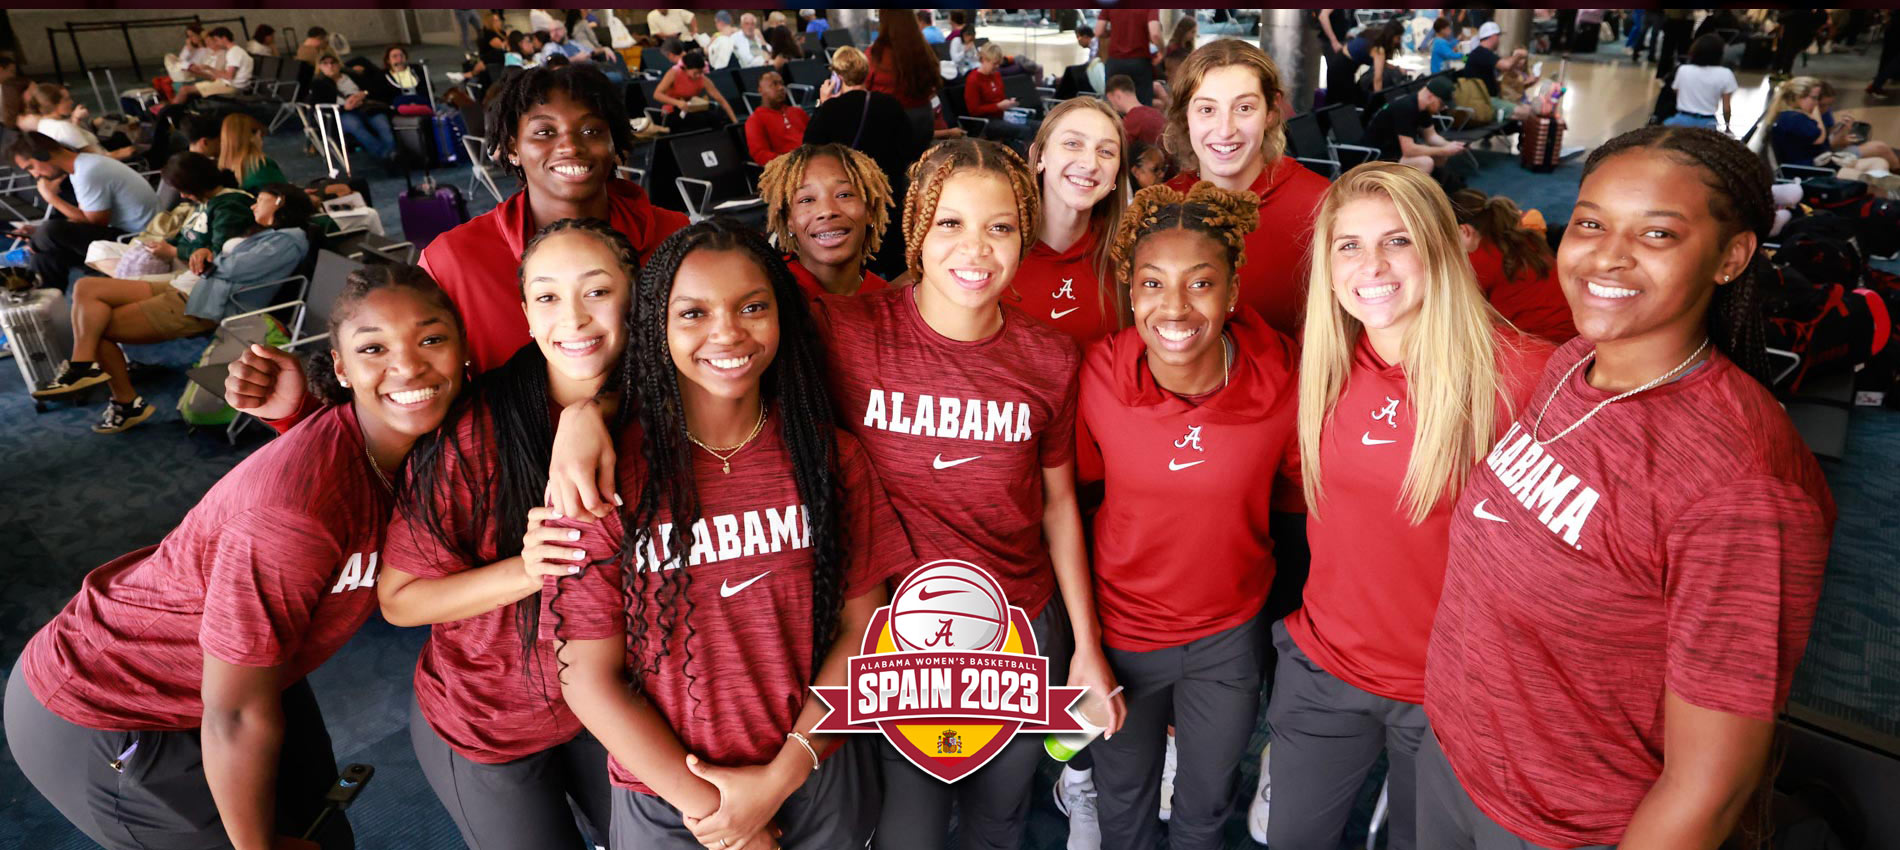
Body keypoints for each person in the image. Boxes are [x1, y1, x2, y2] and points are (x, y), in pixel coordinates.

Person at [1421, 125, 1836, 850]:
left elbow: (1709, 789)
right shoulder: (1576, 363)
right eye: (1590, 224)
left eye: (1657, 234)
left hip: (1567, 826)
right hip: (1459, 761)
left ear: (1732, 257)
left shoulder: (1741, 490)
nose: (1608, 255)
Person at [5, 264, 467, 850]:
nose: (408, 366)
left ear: (464, 347)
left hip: (239, 673)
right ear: (341, 367)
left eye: (431, 339)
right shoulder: (294, 516)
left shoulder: (408, 440)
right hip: (110, 704)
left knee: (321, 830)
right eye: (374, 348)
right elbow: (236, 716)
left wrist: (292, 414)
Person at [546, 219, 913, 850]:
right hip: (668, 797)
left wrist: (778, 780)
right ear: (657, 326)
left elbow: (864, 632)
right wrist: (720, 816)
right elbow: (585, 675)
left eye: (752, 307)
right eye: (693, 312)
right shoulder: (603, 473)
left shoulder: (830, 459)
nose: (727, 332)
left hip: (814, 770)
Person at [1265, 163, 1555, 850]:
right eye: (1349, 245)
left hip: (1454, 691)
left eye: (1397, 241)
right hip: (1323, 668)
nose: (1371, 265)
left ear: (1442, 249)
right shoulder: (1322, 366)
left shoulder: (1526, 376)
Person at [381, 219, 637, 850]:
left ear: (637, 295)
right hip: (492, 721)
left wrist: (591, 409)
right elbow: (400, 600)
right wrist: (525, 570)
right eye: (548, 297)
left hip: (617, 706)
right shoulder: (476, 434)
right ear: (524, 314)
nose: (573, 317)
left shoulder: (675, 406)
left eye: (597, 291)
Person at [1070, 181, 1295, 850]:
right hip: (1123, 633)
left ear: (1232, 292)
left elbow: (1301, 504)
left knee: (1205, 804)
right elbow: (1077, 500)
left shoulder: (1285, 377)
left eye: (1200, 284)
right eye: (1152, 284)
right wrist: (1084, 643)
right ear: (1131, 291)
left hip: (1229, 634)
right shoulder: (1099, 376)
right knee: (1123, 800)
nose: (1173, 307)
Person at [41, 178, 315, 434]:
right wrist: (205, 252)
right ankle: (82, 364)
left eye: (260, 200)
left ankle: (124, 402)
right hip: (192, 286)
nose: (253, 206)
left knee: (98, 328)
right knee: (86, 288)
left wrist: (208, 255)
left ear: (279, 202)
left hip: (206, 302)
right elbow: (223, 261)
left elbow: (232, 269)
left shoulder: (289, 240)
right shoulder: (271, 234)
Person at [1161, 39, 1330, 338]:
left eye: (1244, 108)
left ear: (1271, 111)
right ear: (1185, 116)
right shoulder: (1161, 206)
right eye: (1207, 109)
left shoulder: (1320, 203)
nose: (1225, 129)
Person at [1013, 98, 1129, 344]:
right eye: (1072, 144)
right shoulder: (998, 250)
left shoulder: (1128, 261)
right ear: (1039, 156)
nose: (1090, 164)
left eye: (1106, 152)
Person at [805, 46, 926, 281]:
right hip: (889, 194)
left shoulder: (830, 110)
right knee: (895, 264)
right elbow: (910, 150)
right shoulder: (889, 104)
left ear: (837, 76)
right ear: (866, 72)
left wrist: (822, 105)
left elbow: (810, 154)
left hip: (850, 198)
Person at [9, 131, 161, 290]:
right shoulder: (83, 167)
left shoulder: (88, 172)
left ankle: (34, 246)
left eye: (31, 167)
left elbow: (95, 223)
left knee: (50, 231)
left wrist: (50, 197)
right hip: (123, 233)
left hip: (138, 239)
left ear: (43, 155)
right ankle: (44, 301)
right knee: (43, 259)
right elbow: (84, 219)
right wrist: (38, 231)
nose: (35, 175)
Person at [758, 144, 892, 298]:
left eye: (844, 195)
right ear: (789, 220)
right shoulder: (770, 293)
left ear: (869, 211)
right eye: (807, 200)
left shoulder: (890, 299)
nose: (827, 211)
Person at [1449, 189, 1577, 342]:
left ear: (1464, 230)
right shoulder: (1522, 237)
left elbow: (1466, 313)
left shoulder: (1478, 261)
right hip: (1578, 327)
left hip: (1550, 342)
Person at [1365, 76, 1464, 175]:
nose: (1443, 108)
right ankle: (1412, 185)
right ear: (1431, 96)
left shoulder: (1424, 107)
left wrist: (1452, 146)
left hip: (1396, 152)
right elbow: (1409, 150)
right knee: (1425, 162)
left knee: (1440, 156)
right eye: (1442, 104)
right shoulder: (1406, 108)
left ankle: (1434, 181)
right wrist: (1443, 150)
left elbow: (1431, 136)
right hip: (1377, 156)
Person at [310, 53, 398, 163]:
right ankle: (385, 154)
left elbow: (373, 89)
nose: (330, 66)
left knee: (382, 124)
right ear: (320, 67)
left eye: (333, 63)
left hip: (365, 107)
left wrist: (364, 94)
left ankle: (392, 153)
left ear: (338, 64)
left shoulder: (352, 75)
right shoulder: (319, 84)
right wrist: (344, 107)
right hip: (343, 112)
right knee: (355, 126)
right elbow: (319, 107)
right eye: (325, 64)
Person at [865, 7, 942, 115]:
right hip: (922, 114)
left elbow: (864, 87)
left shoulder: (875, 54)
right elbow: (934, 83)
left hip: (887, 117)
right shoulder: (924, 50)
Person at [1459, 23, 1536, 124]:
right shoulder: (1481, 52)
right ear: (1494, 36)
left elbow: (1504, 65)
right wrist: (1519, 55)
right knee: (1527, 112)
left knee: (1529, 109)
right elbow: (1506, 65)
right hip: (1484, 101)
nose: (1499, 41)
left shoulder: (1483, 53)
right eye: (1498, 37)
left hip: (1487, 99)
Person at [965, 43, 1039, 148]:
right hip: (986, 120)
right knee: (1024, 130)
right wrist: (998, 106)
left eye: (998, 64)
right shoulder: (973, 80)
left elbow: (1000, 99)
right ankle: (1029, 154)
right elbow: (974, 110)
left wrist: (1009, 103)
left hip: (1002, 115)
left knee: (1038, 126)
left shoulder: (996, 75)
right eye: (994, 63)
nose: (997, 67)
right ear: (983, 60)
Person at [1814, 81, 1899, 172]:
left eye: (1829, 105)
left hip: (1830, 152)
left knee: (1881, 148)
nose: (1826, 109)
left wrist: (1845, 129)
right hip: (1822, 159)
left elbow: (1831, 138)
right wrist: (1841, 140)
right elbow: (1822, 146)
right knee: (1879, 160)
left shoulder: (1825, 112)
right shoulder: (1806, 121)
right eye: (1822, 105)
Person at [1663, 35, 1737, 132]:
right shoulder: (1726, 73)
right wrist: (1727, 126)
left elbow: (1677, 93)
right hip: (1707, 122)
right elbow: (1726, 108)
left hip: (1681, 119)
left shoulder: (1683, 70)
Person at [656, 51, 738, 131]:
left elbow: (721, 100)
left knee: (716, 117)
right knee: (699, 120)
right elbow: (657, 94)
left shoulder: (703, 79)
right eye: (695, 73)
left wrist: (735, 122)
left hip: (691, 109)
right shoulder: (674, 73)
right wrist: (677, 103)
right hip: (672, 111)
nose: (698, 75)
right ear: (686, 68)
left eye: (700, 72)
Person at [169, 27, 254, 104]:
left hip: (231, 87)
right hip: (227, 84)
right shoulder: (234, 51)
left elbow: (229, 76)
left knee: (184, 89)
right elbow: (227, 74)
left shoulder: (234, 52)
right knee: (186, 89)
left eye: (216, 40)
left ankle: (169, 112)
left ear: (224, 38)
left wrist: (209, 68)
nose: (216, 43)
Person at [1329, 20, 1402, 108]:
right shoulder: (1379, 49)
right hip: (1341, 70)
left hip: (1338, 63)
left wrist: (1396, 68)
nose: (1399, 41)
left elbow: (1381, 64)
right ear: (1392, 36)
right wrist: (1379, 102)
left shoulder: (1374, 35)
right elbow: (1377, 80)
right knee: (1343, 103)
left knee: (1344, 100)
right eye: (1398, 38)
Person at [744, 72, 811, 167]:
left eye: (781, 83)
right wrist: (790, 161)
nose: (781, 88)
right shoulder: (755, 120)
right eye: (774, 84)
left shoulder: (798, 112)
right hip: (789, 167)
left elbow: (816, 137)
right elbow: (760, 154)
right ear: (760, 90)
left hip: (814, 160)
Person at [1100, 8, 1161, 107]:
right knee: (1142, 105)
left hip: (1115, 61)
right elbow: (1155, 34)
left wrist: (1112, 32)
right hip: (1139, 61)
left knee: (1112, 105)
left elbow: (1099, 31)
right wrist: (1162, 50)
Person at [218, 113, 286, 191]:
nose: (262, 141)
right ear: (252, 137)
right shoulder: (262, 165)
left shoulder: (218, 173)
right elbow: (286, 194)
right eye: (261, 135)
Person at [1104, 73, 1164, 146]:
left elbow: (1121, 147)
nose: (1112, 106)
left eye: (1110, 100)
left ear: (1118, 96)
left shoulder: (1131, 121)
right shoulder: (1156, 113)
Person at [375, 46, 431, 111]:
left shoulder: (416, 69)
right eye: (395, 56)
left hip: (420, 100)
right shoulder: (383, 75)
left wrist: (414, 102)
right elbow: (384, 95)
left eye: (401, 55)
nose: (399, 58)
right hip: (399, 104)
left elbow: (428, 87)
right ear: (388, 60)